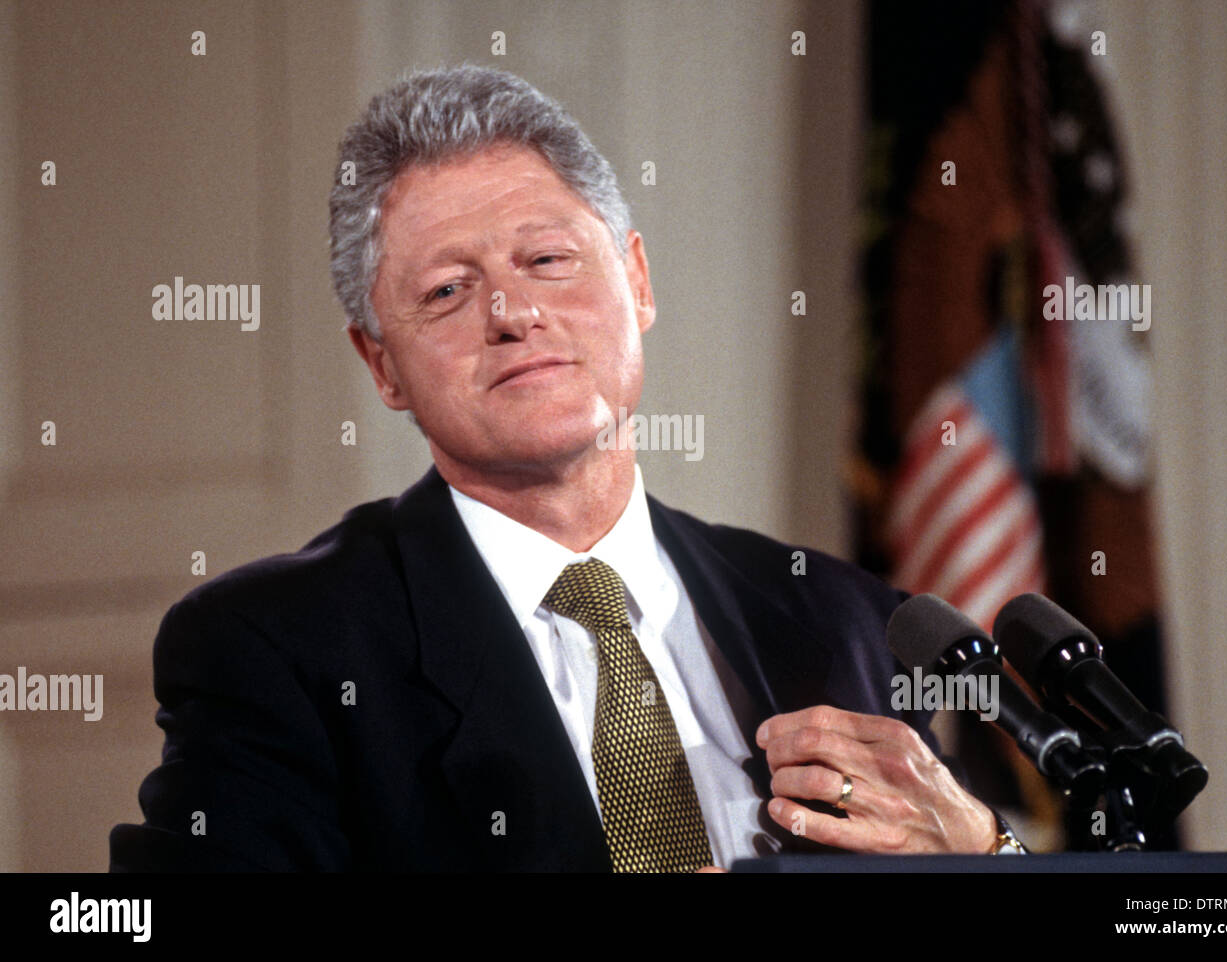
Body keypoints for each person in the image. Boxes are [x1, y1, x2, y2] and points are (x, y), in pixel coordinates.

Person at [110, 64, 1014, 872]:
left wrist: (987, 849)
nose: (514, 312)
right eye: (446, 292)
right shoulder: (279, 651)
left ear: (638, 281)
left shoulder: (840, 616)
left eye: (548, 260)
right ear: (382, 363)